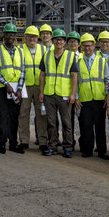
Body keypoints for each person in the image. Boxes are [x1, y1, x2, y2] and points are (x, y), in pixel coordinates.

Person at [38, 28, 78, 157]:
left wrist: (73, 94)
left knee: (66, 122)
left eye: (60, 40)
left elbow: (74, 76)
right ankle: (52, 146)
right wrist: (41, 92)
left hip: (64, 95)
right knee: (51, 122)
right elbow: (42, 75)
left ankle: (68, 147)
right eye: (56, 39)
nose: (58, 42)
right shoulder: (47, 55)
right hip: (49, 94)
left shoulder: (70, 56)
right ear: (53, 41)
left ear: (64, 42)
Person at [76, 33, 109, 160]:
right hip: (84, 99)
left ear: (94, 46)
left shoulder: (102, 61)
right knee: (86, 126)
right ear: (82, 47)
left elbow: (107, 80)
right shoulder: (78, 63)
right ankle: (87, 150)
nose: (87, 48)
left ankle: (102, 151)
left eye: (90, 45)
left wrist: (107, 97)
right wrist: (77, 97)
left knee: (100, 126)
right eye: (85, 46)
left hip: (99, 99)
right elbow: (75, 82)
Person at [0, 23, 25, 153]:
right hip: (2, 88)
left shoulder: (20, 51)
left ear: (15, 36)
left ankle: (13, 143)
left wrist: (19, 88)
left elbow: (22, 70)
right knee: (2, 116)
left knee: (14, 116)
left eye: (12, 34)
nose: (10, 36)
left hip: (16, 90)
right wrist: (6, 84)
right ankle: (1, 143)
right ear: (4, 35)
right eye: (8, 34)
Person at [17, 25, 47, 152]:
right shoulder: (20, 49)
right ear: (25, 38)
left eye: (34, 37)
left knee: (41, 114)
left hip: (40, 86)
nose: (32, 39)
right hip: (25, 86)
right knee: (24, 113)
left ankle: (43, 141)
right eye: (29, 36)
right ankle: (24, 140)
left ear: (38, 38)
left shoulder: (43, 49)